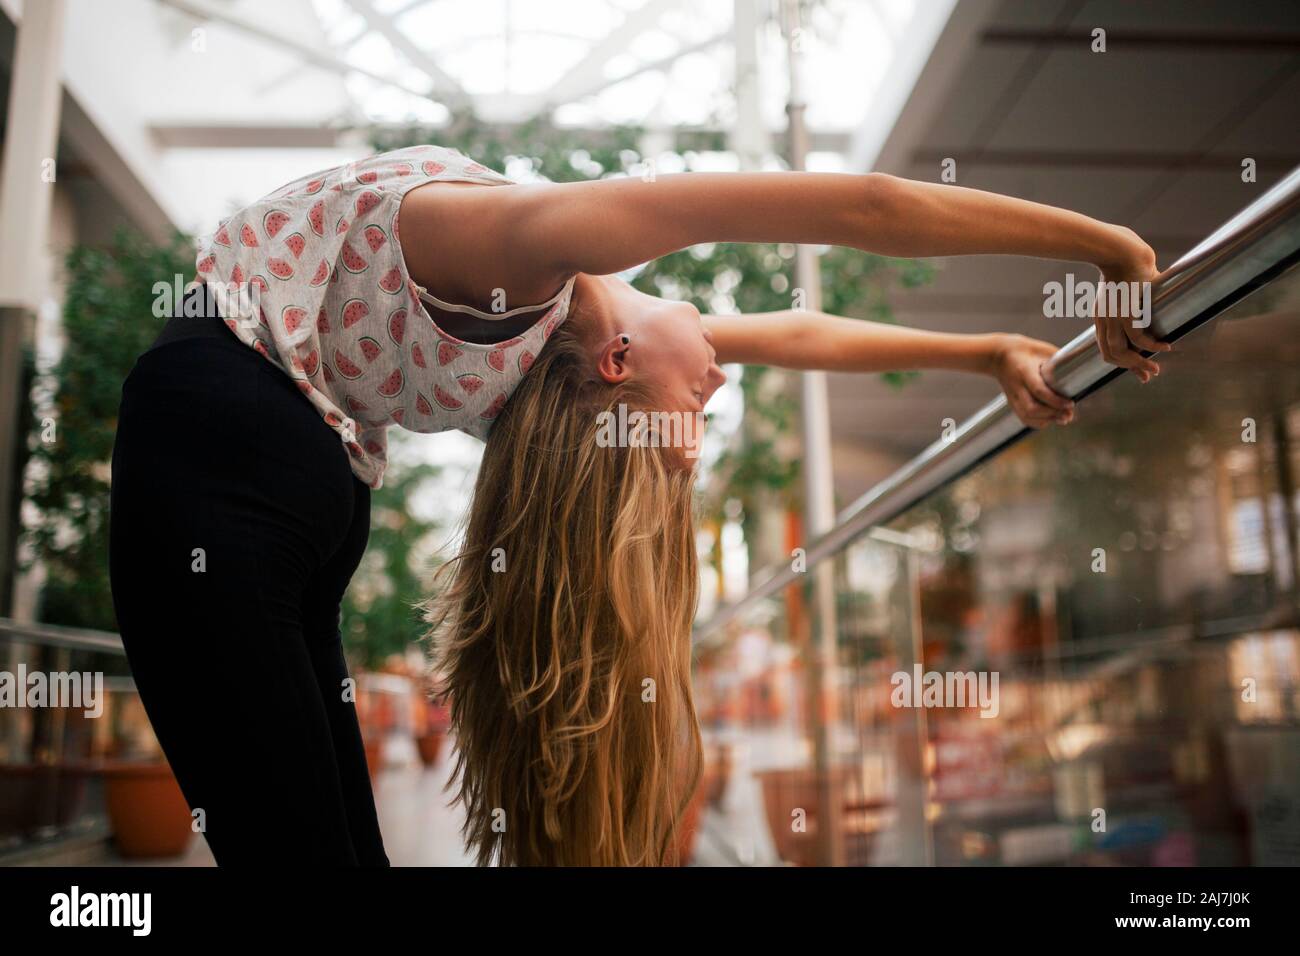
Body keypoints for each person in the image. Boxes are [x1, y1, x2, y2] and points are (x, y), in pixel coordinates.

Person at [109, 143, 1164, 866]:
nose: (707, 402)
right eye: (697, 419)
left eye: (681, 416)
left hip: (249, 455)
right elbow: (800, 319)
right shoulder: (548, 309)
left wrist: (1096, 253)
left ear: (616, 363)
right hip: (267, 469)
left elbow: (861, 214)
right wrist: (1001, 331)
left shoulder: (545, 262)